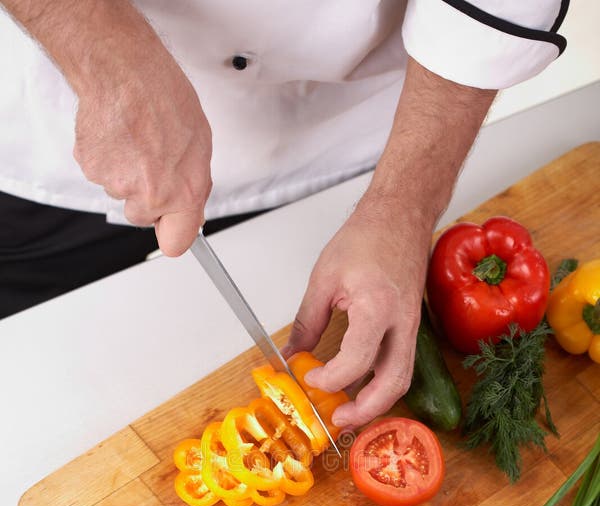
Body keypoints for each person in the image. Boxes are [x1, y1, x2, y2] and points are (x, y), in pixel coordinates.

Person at [0, 1, 568, 427]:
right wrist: (102, 49)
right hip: (71, 118)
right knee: (40, 391)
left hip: (349, 141)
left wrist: (404, 205)